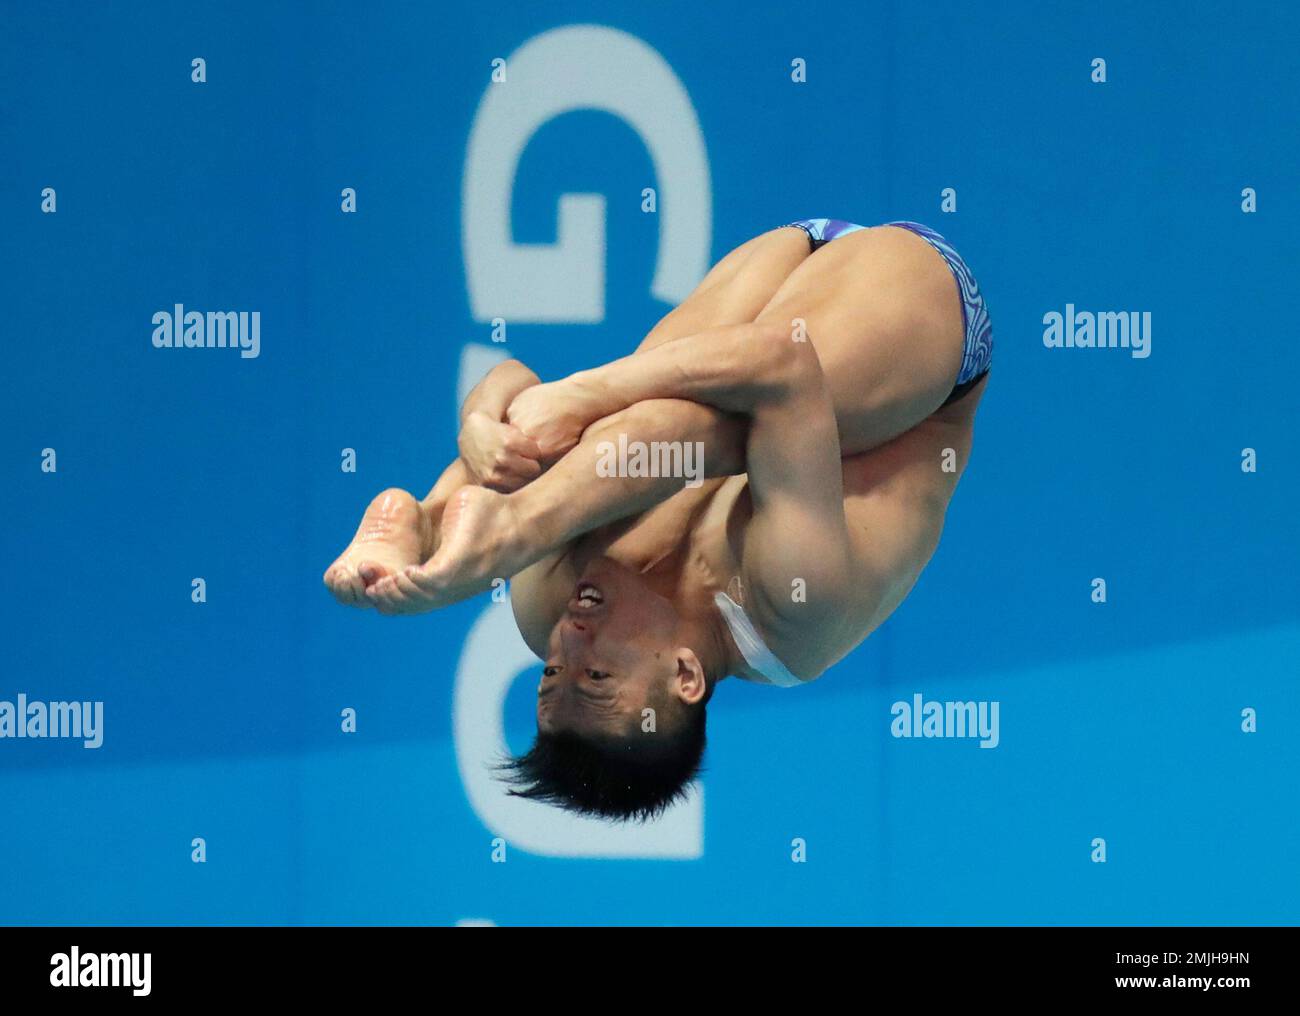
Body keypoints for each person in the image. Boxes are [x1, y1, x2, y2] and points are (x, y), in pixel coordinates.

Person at [323, 218, 992, 820]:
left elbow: (512, 387)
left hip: (780, 259)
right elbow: (783, 369)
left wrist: (479, 429)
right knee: (709, 433)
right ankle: (510, 528)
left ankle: (426, 520)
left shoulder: (548, 611)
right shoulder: (794, 610)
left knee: (601, 445)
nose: (568, 644)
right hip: (911, 321)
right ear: (685, 676)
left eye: (551, 675)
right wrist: (581, 396)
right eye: (596, 676)